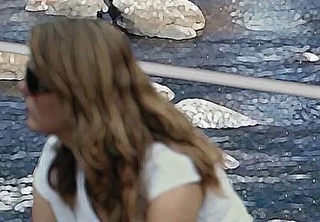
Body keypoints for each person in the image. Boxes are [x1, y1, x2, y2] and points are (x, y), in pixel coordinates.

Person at [24, 19, 252, 222]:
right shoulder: (58, 153)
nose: (22, 87)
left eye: (35, 80)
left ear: (78, 90)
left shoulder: (167, 167)